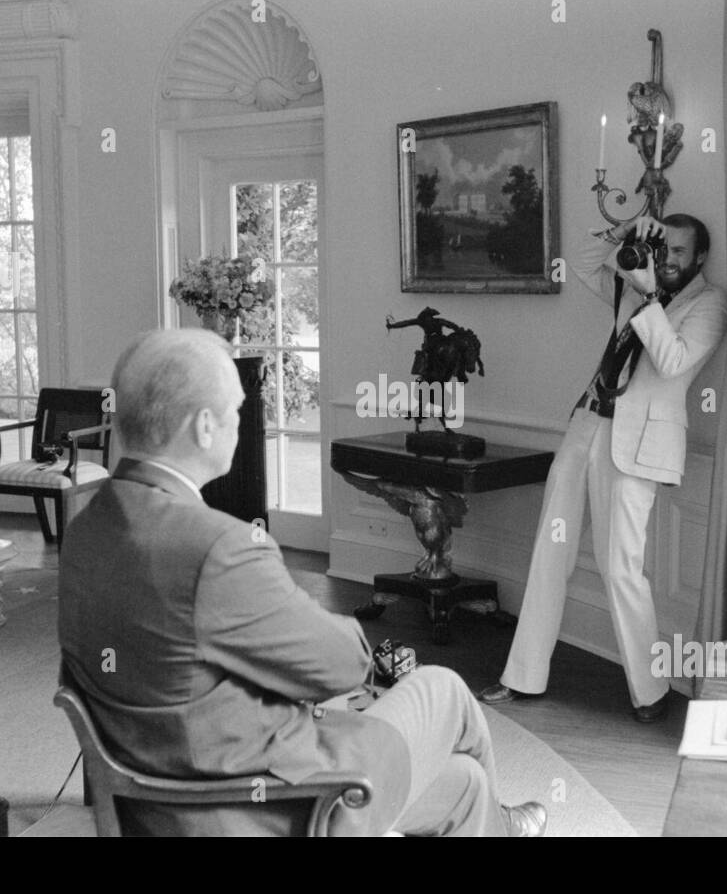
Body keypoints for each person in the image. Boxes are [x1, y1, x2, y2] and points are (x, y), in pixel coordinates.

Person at [58, 328, 545, 836]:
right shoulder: (218, 547)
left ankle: (496, 821)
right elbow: (344, 668)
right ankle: (506, 827)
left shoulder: (86, 527)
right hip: (275, 810)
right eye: (236, 410)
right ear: (204, 426)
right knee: (443, 689)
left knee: (464, 785)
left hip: (157, 803)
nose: (239, 424)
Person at [478, 214, 727, 722]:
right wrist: (627, 232)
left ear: (699, 257)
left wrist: (650, 295)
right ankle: (522, 677)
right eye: (665, 248)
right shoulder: (640, 281)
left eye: (680, 251)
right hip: (588, 424)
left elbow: (674, 361)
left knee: (620, 568)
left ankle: (650, 692)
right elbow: (585, 264)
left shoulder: (710, 303)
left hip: (637, 445)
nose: (669, 259)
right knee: (550, 551)